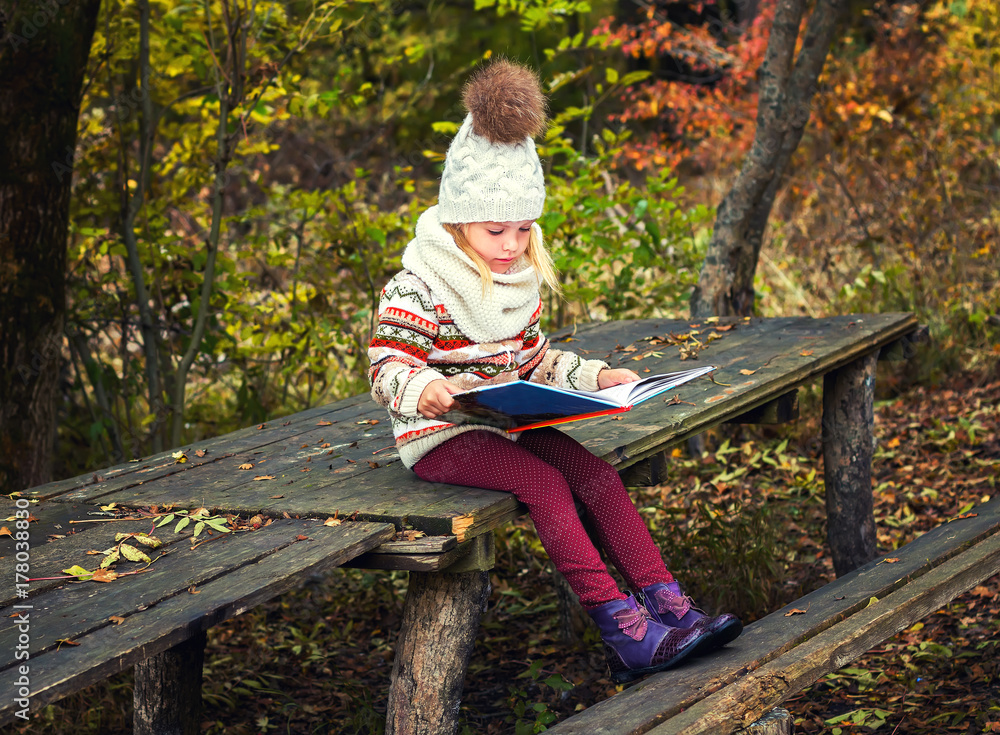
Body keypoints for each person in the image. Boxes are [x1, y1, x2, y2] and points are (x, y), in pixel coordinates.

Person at [367, 58, 742, 684]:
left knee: (594, 473)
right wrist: (425, 388)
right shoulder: (418, 286)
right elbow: (387, 366)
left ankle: (670, 606)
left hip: (508, 423)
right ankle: (622, 629)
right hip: (440, 439)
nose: (512, 245)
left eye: (523, 228)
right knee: (543, 484)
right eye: (496, 230)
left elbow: (538, 361)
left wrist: (595, 378)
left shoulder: (516, 281)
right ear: (459, 222)